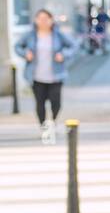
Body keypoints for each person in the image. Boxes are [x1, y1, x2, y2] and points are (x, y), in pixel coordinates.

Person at [15, 9, 78, 144]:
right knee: (40, 104)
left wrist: (64, 55)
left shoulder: (58, 35)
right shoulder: (30, 35)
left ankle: (53, 122)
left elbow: (73, 45)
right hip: (36, 76)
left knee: (56, 103)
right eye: (40, 18)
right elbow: (18, 46)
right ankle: (44, 127)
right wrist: (26, 53)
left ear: (51, 20)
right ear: (36, 20)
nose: (43, 21)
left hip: (56, 75)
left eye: (46, 19)